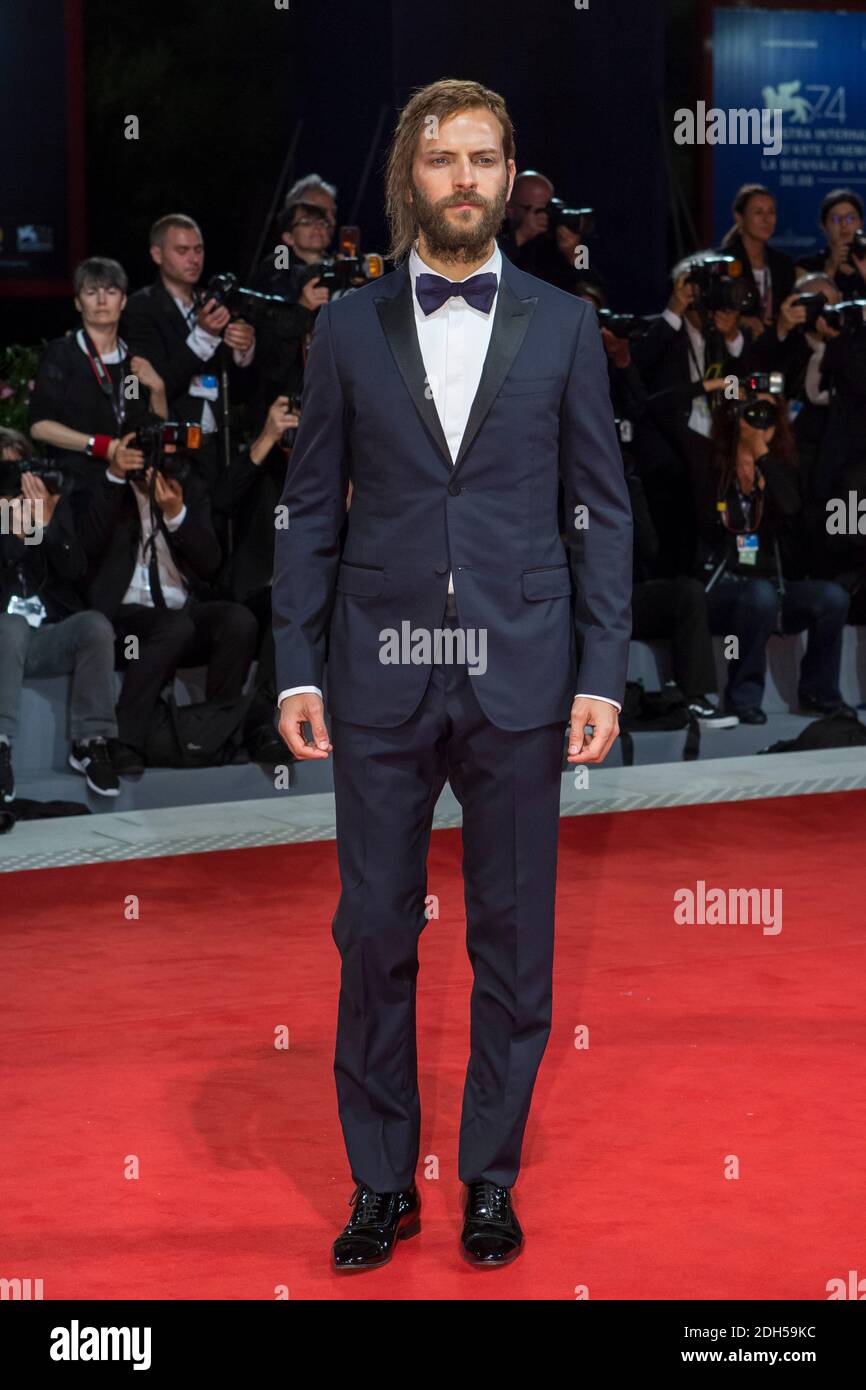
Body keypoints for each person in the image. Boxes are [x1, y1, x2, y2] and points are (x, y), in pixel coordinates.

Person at [272, 78, 633, 1271]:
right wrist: (292, 667)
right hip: (376, 670)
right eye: (444, 161)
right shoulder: (343, 328)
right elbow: (309, 506)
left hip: (522, 671)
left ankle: (488, 1178)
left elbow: (600, 509)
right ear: (409, 179)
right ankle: (381, 1184)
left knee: (512, 944)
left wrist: (600, 672)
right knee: (371, 932)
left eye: (485, 159)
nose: (465, 179)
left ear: (507, 175)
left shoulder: (565, 325)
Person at [693, 388, 850, 721]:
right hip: (721, 588)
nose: (761, 422)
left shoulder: (782, 470)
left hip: (772, 585)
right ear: (734, 418)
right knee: (759, 596)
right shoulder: (711, 466)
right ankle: (742, 699)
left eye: (770, 414)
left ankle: (819, 692)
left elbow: (793, 509)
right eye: (753, 413)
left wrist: (763, 458)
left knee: (832, 597)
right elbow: (703, 522)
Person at [0, 460, 121, 801]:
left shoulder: (48, 517)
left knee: (94, 625)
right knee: (12, 625)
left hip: (46, 639)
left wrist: (46, 525)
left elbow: (74, 571)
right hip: (5, 639)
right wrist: (8, 530)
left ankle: (91, 743)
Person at [121, 215, 256, 497]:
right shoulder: (140, 308)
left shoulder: (212, 302)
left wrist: (244, 347)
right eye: (182, 251)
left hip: (221, 443)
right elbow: (156, 383)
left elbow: (242, 384)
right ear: (157, 254)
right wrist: (204, 336)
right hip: (176, 448)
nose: (193, 259)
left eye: (198, 250)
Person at [28, 257, 168, 483]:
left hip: (124, 485)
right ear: (78, 302)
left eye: (111, 292)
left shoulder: (130, 363)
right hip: (73, 483)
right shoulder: (62, 354)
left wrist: (158, 389)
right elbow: (40, 426)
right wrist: (101, 446)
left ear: (123, 301)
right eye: (92, 292)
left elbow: (141, 424)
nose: (102, 301)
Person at [718, 184, 795, 339]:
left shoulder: (783, 264)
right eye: (758, 212)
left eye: (771, 212)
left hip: (775, 348)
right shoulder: (723, 262)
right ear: (739, 217)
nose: (766, 220)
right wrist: (741, 321)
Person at [796, 189, 866, 300]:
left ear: (861, 223)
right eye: (835, 219)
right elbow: (808, 308)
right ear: (823, 226)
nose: (843, 224)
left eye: (850, 218)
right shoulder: (806, 266)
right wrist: (831, 268)